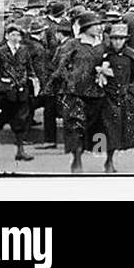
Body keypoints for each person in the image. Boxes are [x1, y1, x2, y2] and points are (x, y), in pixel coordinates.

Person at [47, 11, 111, 173]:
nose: (99, 28)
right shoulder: (73, 44)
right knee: (75, 126)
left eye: (99, 25)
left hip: (98, 92)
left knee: (100, 126)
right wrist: (69, 79)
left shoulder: (103, 45)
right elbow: (58, 64)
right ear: (85, 27)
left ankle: (103, 160)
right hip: (75, 93)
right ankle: (76, 159)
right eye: (95, 25)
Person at [0, 22, 36, 163]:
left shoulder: (24, 51)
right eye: (12, 34)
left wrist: (31, 82)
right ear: (6, 36)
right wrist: (2, 87)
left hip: (21, 92)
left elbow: (29, 69)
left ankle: (20, 151)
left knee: (21, 121)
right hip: (5, 95)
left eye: (18, 35)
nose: (15, 37)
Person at [99, 22, 134, 170]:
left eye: (121, 39)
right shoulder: (105, 55)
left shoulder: (130, 56)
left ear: (125, 40)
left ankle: (112, 157)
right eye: (115, 39)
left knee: (121, 131)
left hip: (124, 97)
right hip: (108, 98)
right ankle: (108, 160)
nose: (117, 42)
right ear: (110, 39)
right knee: (108, 129)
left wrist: (131, 90)